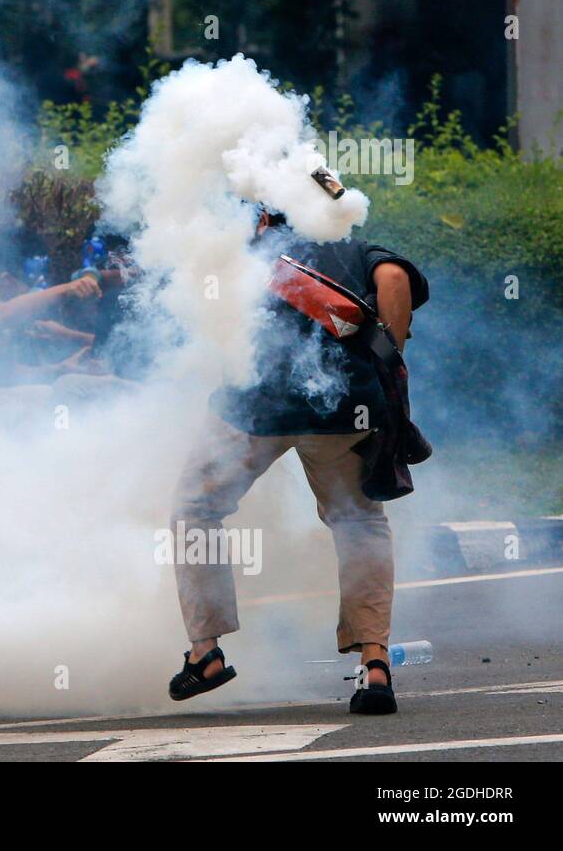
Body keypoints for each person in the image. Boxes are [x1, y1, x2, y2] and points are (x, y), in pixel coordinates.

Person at [167, 207, 430, 715]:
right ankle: (374, 665)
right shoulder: (352, 248)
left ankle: (206, 653)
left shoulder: (239, 250)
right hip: (345, 408)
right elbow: (394, 278)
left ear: (263, 215)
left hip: (253, 410)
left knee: (195, 510)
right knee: (359, 522)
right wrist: (390, 357)